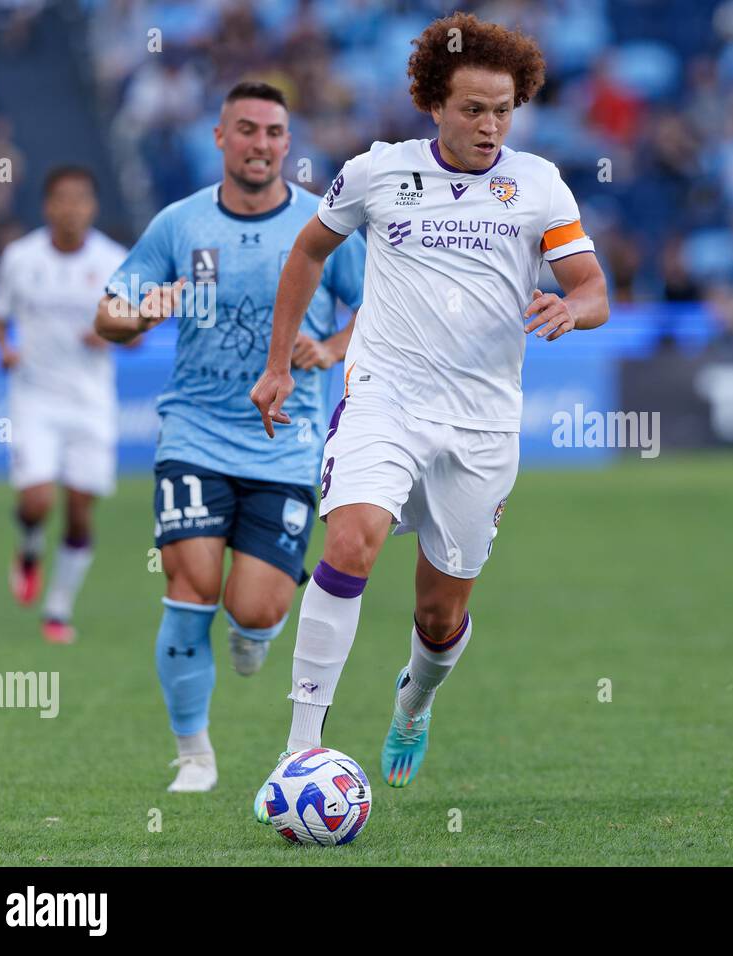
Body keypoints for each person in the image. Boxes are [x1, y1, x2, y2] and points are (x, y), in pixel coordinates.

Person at [248, 12, 609, 819]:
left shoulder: (538, 184)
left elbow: (593, 288)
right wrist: (279, 362)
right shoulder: (378, 173)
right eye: (474, 109)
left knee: (441, 614)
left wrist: (571, 308)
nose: (490, 125)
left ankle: (414, 701)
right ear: (434, 105)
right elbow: (307, 251)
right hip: (386, 397)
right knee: (350, 540)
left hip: (480, 424)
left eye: (504, 110)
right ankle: (301, 747)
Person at [95, 81, 366, 793]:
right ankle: (194, 756)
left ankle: (254, 632)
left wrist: (334, 346)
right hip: (195, 431)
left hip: (286, 439)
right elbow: (108, 315)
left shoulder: (322, 224)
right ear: (220, 138)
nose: (261, 144)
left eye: (274, 132)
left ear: (288, 143)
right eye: (246, 129)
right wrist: (141, 314)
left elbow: (382, 309)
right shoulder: (179, 224)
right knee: (191, 585)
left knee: (257, 607)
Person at [0, 166, 127, 644]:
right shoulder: (20, 258)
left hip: (90, 403)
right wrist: (5, 347)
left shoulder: (114, 261)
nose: (71, 209)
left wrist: (111, 333)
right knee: (37, 497)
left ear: (92, 206)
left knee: (80, 510)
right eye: (62, 200)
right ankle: (28, 547)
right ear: (48, 205)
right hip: (35, 398)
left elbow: (135, 333)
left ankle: (58, 609)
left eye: (80, 199)